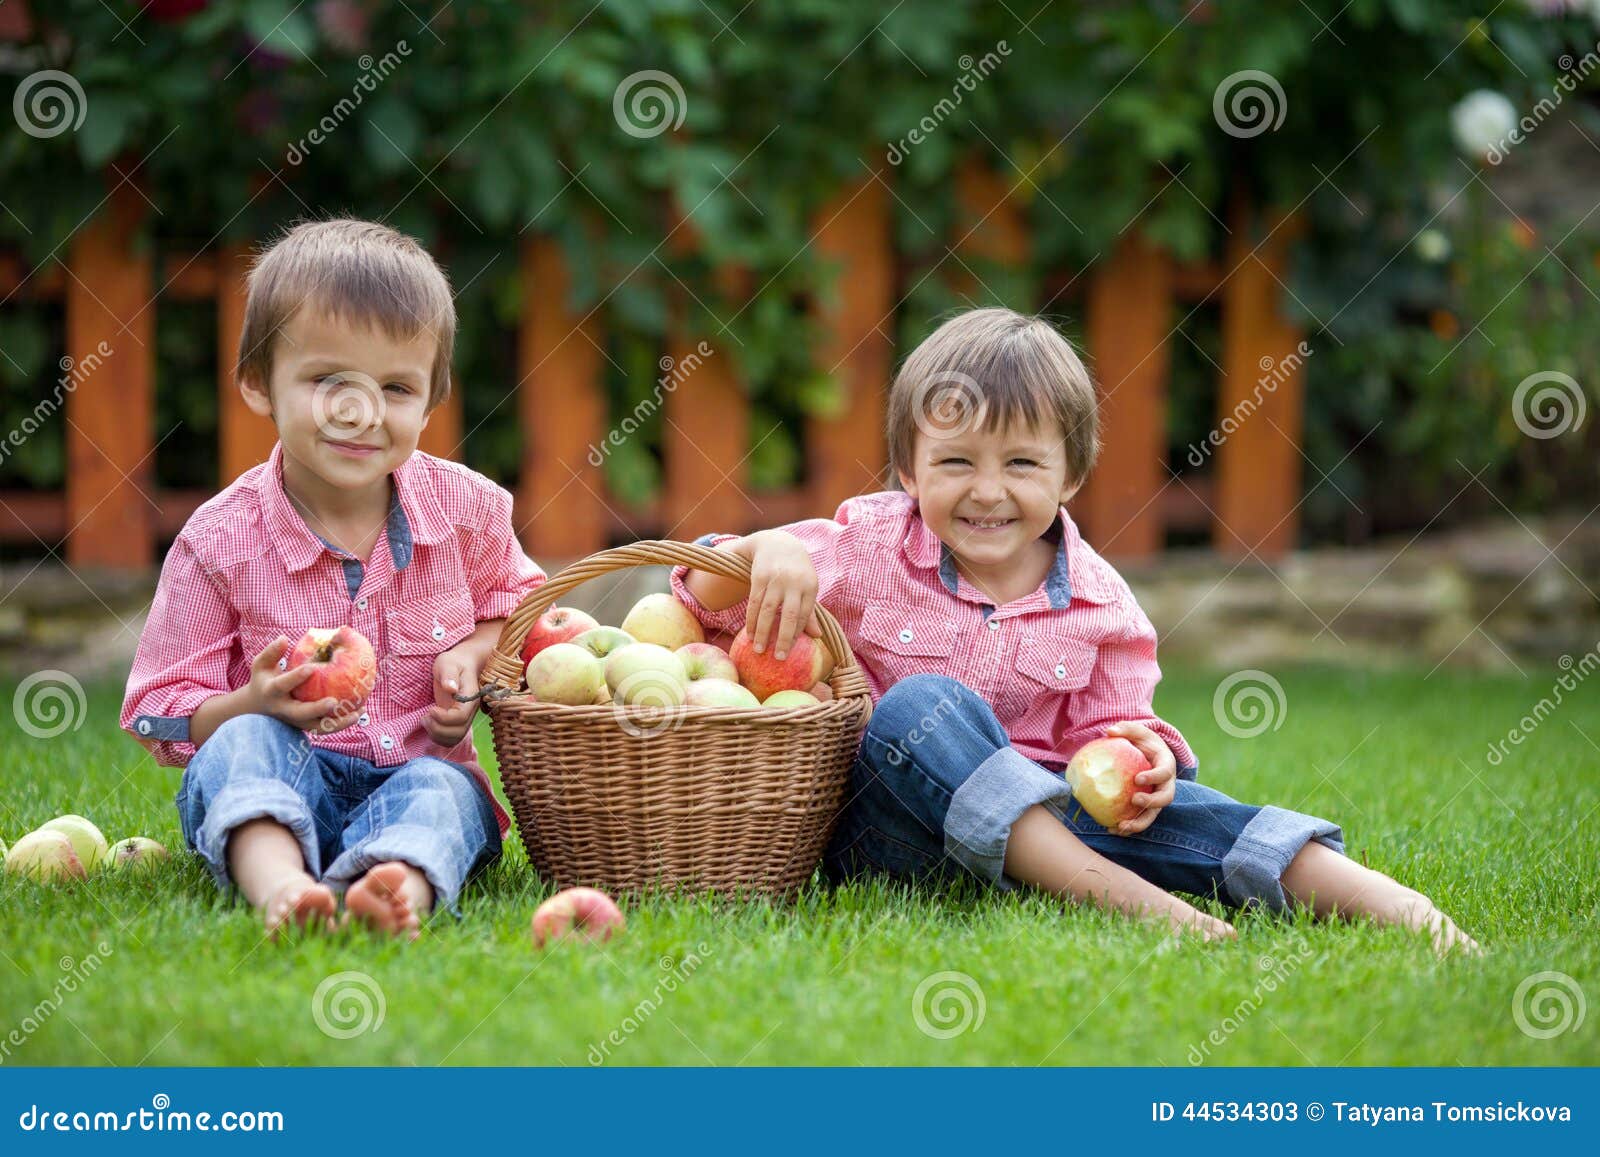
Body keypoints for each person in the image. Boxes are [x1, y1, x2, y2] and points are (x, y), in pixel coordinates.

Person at [671, 307, 1478, 954]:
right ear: (910, 471)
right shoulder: (868, 543)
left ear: (1071, 475)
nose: (987, 491)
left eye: (1021, 464)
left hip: (1058, 828)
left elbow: (1116, 737)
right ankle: (1134, 904)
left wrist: (1153, 757)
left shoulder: (1101, 602)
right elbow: (703, 597)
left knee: (1184, 812)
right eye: (955, 463)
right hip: (887, 833)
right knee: (919, 706)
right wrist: (761, 550)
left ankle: (1390, 902)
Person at [122, 219, 544, 939]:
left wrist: (475, 656)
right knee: (241, 750)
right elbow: (157, 711)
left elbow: (532, 611)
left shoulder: (469, 512)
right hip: (287, 775)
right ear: (260, 383)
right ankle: (281, 882)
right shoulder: (218, 542)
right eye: (327, 381)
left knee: (448, 790)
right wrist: (251, 703)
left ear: (432, 398)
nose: (361, 413)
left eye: (396, 386)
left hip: (415, 771)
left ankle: (392, 884)